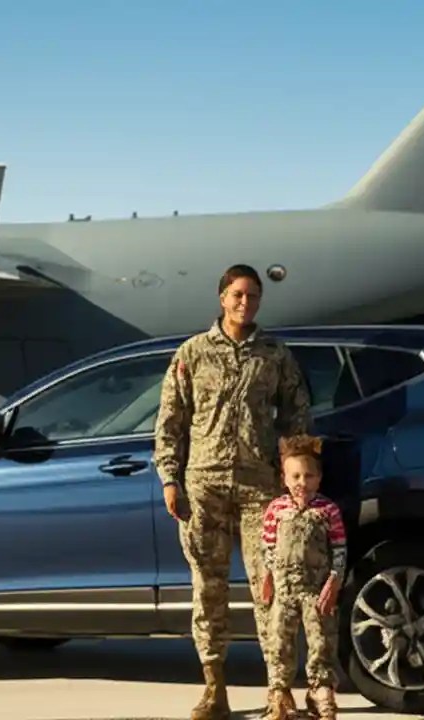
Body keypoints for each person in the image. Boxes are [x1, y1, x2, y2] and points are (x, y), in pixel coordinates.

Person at [153, 263, 313, 720]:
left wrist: (292, 469)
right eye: (239, 295)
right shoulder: (193, 353)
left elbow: (298, 413)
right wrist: (170, 477)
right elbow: (171, 421)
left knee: (273, 590)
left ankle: (279, 690)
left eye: (254, 296)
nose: (246, 303)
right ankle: (214, 688)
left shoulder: (274, 354)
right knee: (208, 588)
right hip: (203, 488)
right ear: (222, 297)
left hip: (260, 488)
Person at [260, 434, 346, 720]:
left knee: (321, 640)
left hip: (315, 590)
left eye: (309, 476)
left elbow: (340, 548)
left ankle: (320, 690)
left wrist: (334, 581)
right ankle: (279, 692)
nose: (302, 482)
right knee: (279, 641)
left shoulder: (327, 511)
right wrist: (268, 576)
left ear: (319, 478)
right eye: (295, 476)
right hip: (284, 590)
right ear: (284, 478)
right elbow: (268, 546)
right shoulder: (276, 510)